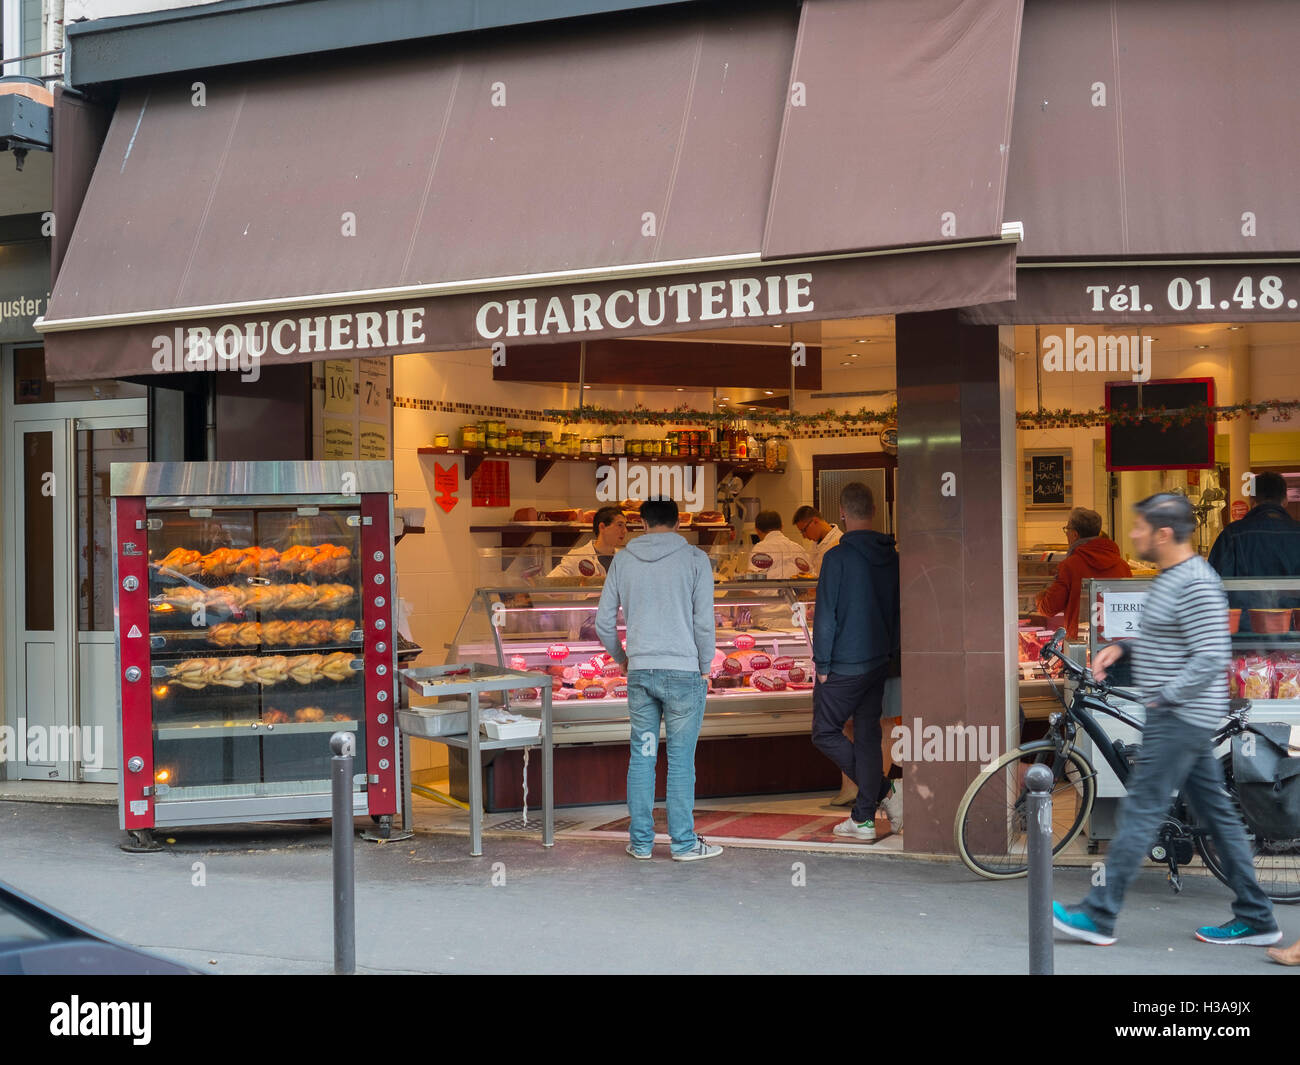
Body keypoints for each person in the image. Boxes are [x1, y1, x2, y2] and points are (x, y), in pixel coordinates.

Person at [1053, 493, 1282, 947]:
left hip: (1179, 717)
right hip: (1182, 717)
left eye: (1140, 528)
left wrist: (1167, 696)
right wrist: (1124, 649)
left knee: (1140, 811)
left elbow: (1209, 657)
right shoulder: (1174, 578)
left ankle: (1099, 915)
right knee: (1218, 816)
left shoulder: (1195, 582)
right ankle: (1257, 917)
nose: (1133, 535)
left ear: (1163, 534)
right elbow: (1170, 645)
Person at [595, 497, 721, 862]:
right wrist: (705, 665)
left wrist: (624, 659)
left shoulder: (623, 559)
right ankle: (683, 844)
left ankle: (641, 843)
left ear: (643, 524)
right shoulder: (696, 560)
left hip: (641, 673)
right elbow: (703, 621)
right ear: (678, 524)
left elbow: (603, 623)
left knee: (642, 756)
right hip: (684, 674)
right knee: (681, 761)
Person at [810, 482, 900, 842]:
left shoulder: (836, 558)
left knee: (824, 731)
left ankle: (881, 795)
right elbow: (897, 611)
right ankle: (863, 818)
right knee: (866, 733)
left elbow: (826, 615)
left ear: (843, 514)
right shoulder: (892, 556)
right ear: (874, 511)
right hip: (879, 660)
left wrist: (822, 661)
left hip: (844, 662)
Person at [1035, 507, 1132, 639]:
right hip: (1116, 643)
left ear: (1074, 534)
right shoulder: (1122, 566)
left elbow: (1049, 608)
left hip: (1081, 645)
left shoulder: (1069, 566)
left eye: (1067, 530)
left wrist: (1040, 596)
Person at [1208, 471, 1300, 577]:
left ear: (1252, 501)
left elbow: (1212, 580)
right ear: (1285, 500)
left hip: (1243, 595)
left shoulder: (1232, 534)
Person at [548, 505, 627, 579]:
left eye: (625, 526)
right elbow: (550, 585)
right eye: (620, 525)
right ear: (602, 527)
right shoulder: (576, 557)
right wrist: (586, 584)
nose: (625, 531)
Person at [745, 510, 813, 579]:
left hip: (770, 589)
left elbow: (752, 582)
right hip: (798, 589)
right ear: (782, 527)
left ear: (757, 530)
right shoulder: (798, 548)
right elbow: (811, 576)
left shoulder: (759, 549)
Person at [792, 505, 843, 576]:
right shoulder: (816, 542)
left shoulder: (838, 542)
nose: (804, 536)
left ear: (815, 521)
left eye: (804, 530)